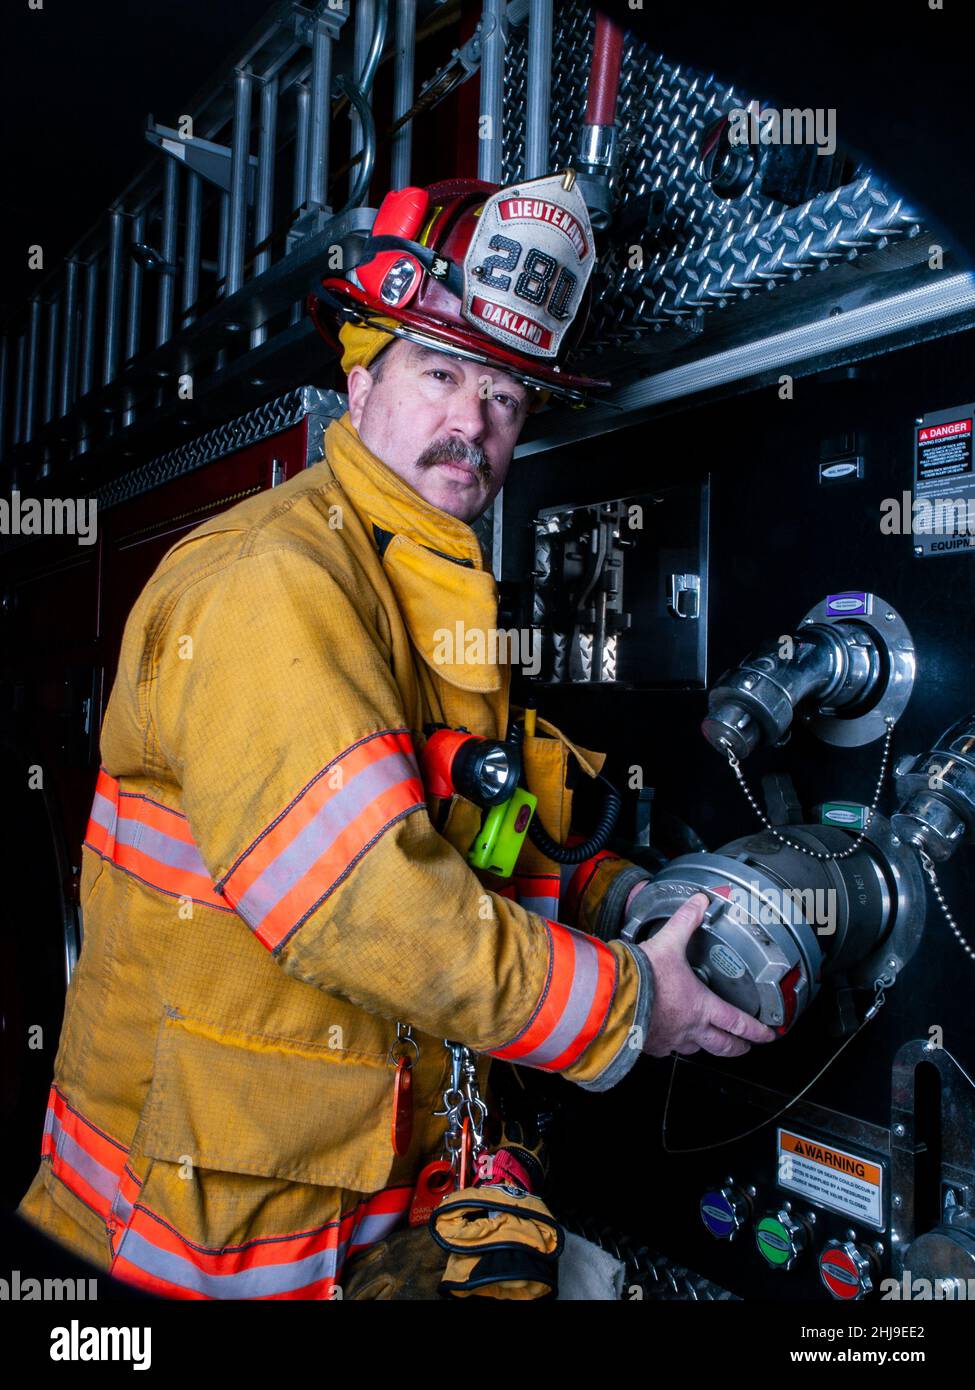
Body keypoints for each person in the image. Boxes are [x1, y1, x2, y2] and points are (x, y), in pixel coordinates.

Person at [18, 173, 772, 1299]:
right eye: (441, 372)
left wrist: (618, 898)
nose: (472, 420)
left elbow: (469, 835)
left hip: (351, 1210)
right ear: (360, 381)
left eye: (506, 397)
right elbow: (369, 902)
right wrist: (626, 1004)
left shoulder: (421, 589)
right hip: (190, 1237)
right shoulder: (275, 580)